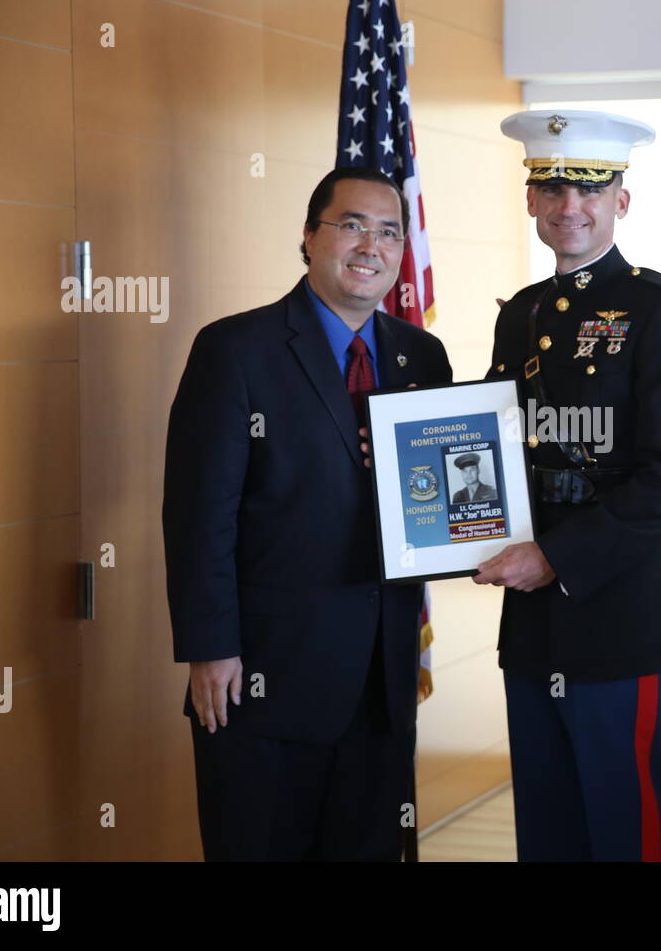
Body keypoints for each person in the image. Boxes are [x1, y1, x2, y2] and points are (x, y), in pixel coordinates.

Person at [162, 166, 452, 861]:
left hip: (382, 681)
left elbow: (436, 502)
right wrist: (210, 646)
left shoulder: (421, 356)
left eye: (388, 232)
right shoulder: (235, 350)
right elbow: (199, 514)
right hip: (263, 678)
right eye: (351, 224)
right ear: (309, 236)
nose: (370, 246)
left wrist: (480, 539)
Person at [474, 110, 661, 861]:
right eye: (550, 187)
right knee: (547, 831)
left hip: (618, 613)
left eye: (590, 187)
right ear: (531, 201)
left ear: (622, 200)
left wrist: (556, 556)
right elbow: (490, 446)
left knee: (625, 830)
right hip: (530, 621)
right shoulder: (520, 317)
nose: (568, 206)